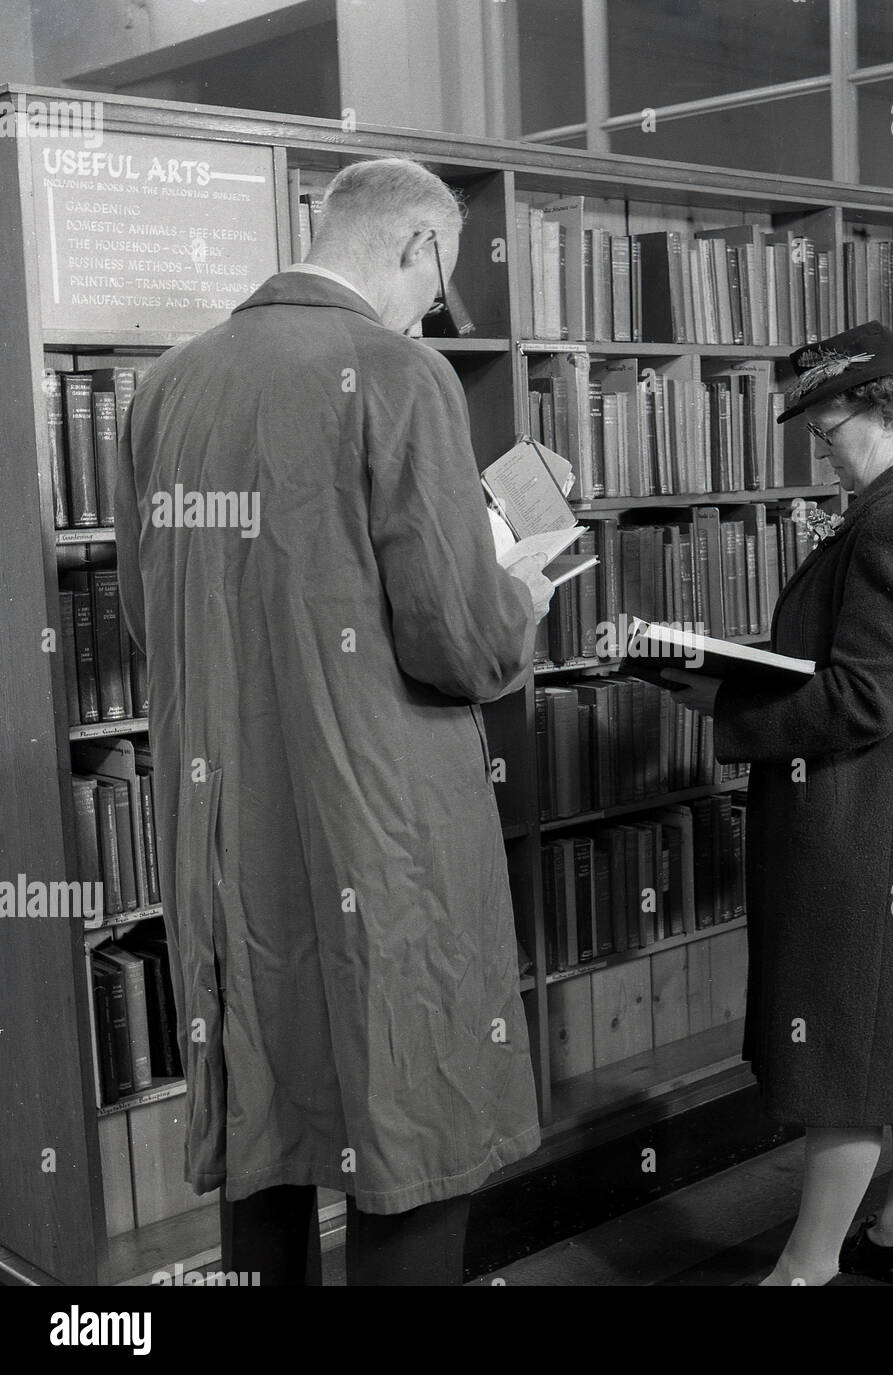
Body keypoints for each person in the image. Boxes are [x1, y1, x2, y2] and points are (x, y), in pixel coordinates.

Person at [115, 158, 555, 1285]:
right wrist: (521, 593)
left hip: (229, 821)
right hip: (380, 811)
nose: (434, 309)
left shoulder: (168, 385)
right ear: (416, 245)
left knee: (268, 1113)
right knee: (410, 1105)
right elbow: (457, 638)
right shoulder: (398, 371)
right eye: (439, 280)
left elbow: (141, 609)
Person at [664, 322, 893, 1286]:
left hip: (873, 820)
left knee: (850, 1048)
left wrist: (727, 705)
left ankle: (804, 1271)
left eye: (830, 421)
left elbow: (866, 695)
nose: (821, 441)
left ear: (888, 409)